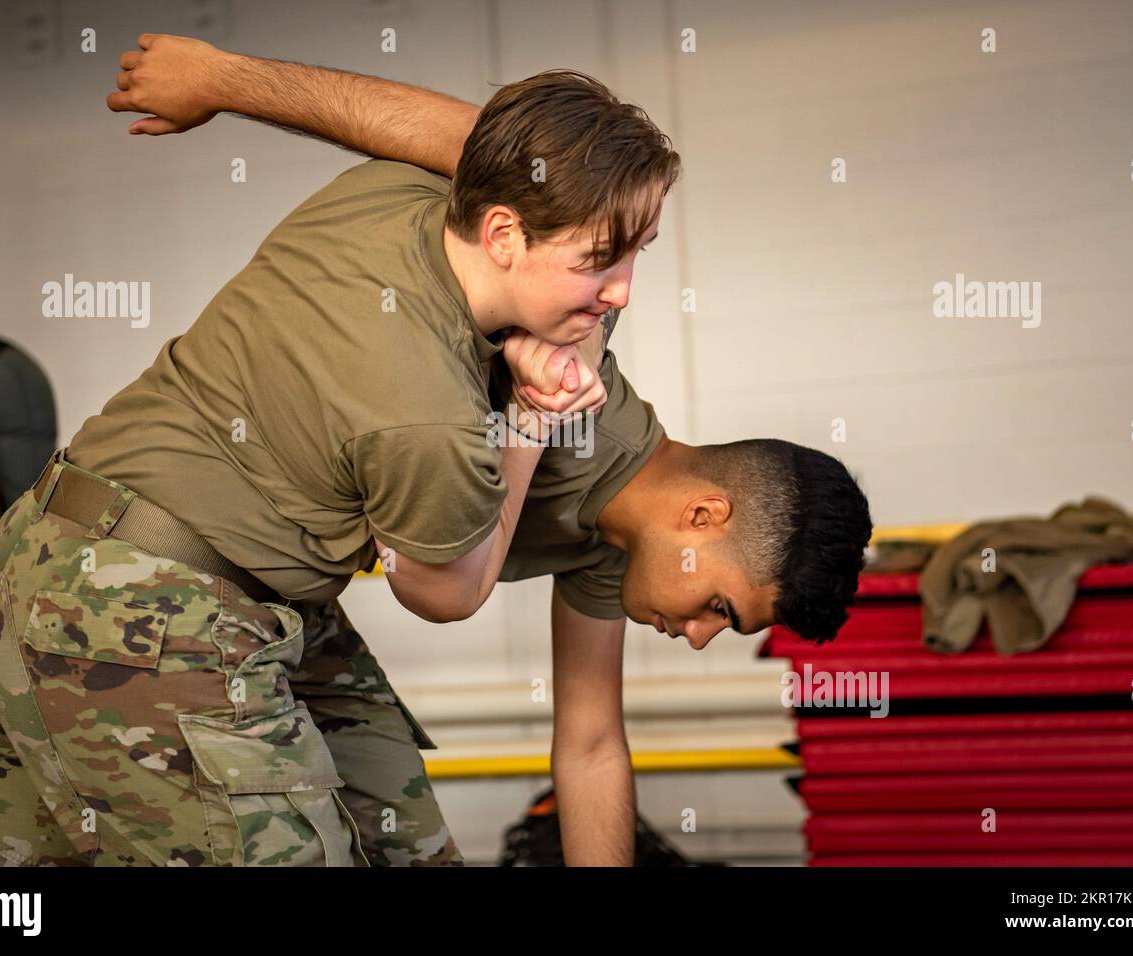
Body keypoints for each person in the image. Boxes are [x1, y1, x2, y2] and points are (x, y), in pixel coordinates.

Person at [90, 35, 874, 867]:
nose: (701, 635)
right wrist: (220, 77)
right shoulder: (496, 365)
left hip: (276, 594)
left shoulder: (602, 466)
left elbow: (592, 744)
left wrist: (223, 80)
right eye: (721, 607)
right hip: (140, 573)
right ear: (704, 514)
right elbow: (443, 593)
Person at [0, 42, 680, 866]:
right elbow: (449, 593)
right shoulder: (426, 416)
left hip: (47, 565)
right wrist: (528, 418)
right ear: (503, 235)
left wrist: (223, 80)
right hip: (138, 618)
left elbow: (454, 132)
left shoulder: (411, 191)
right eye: (600, 263)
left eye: (640, 251)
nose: (623, 289)